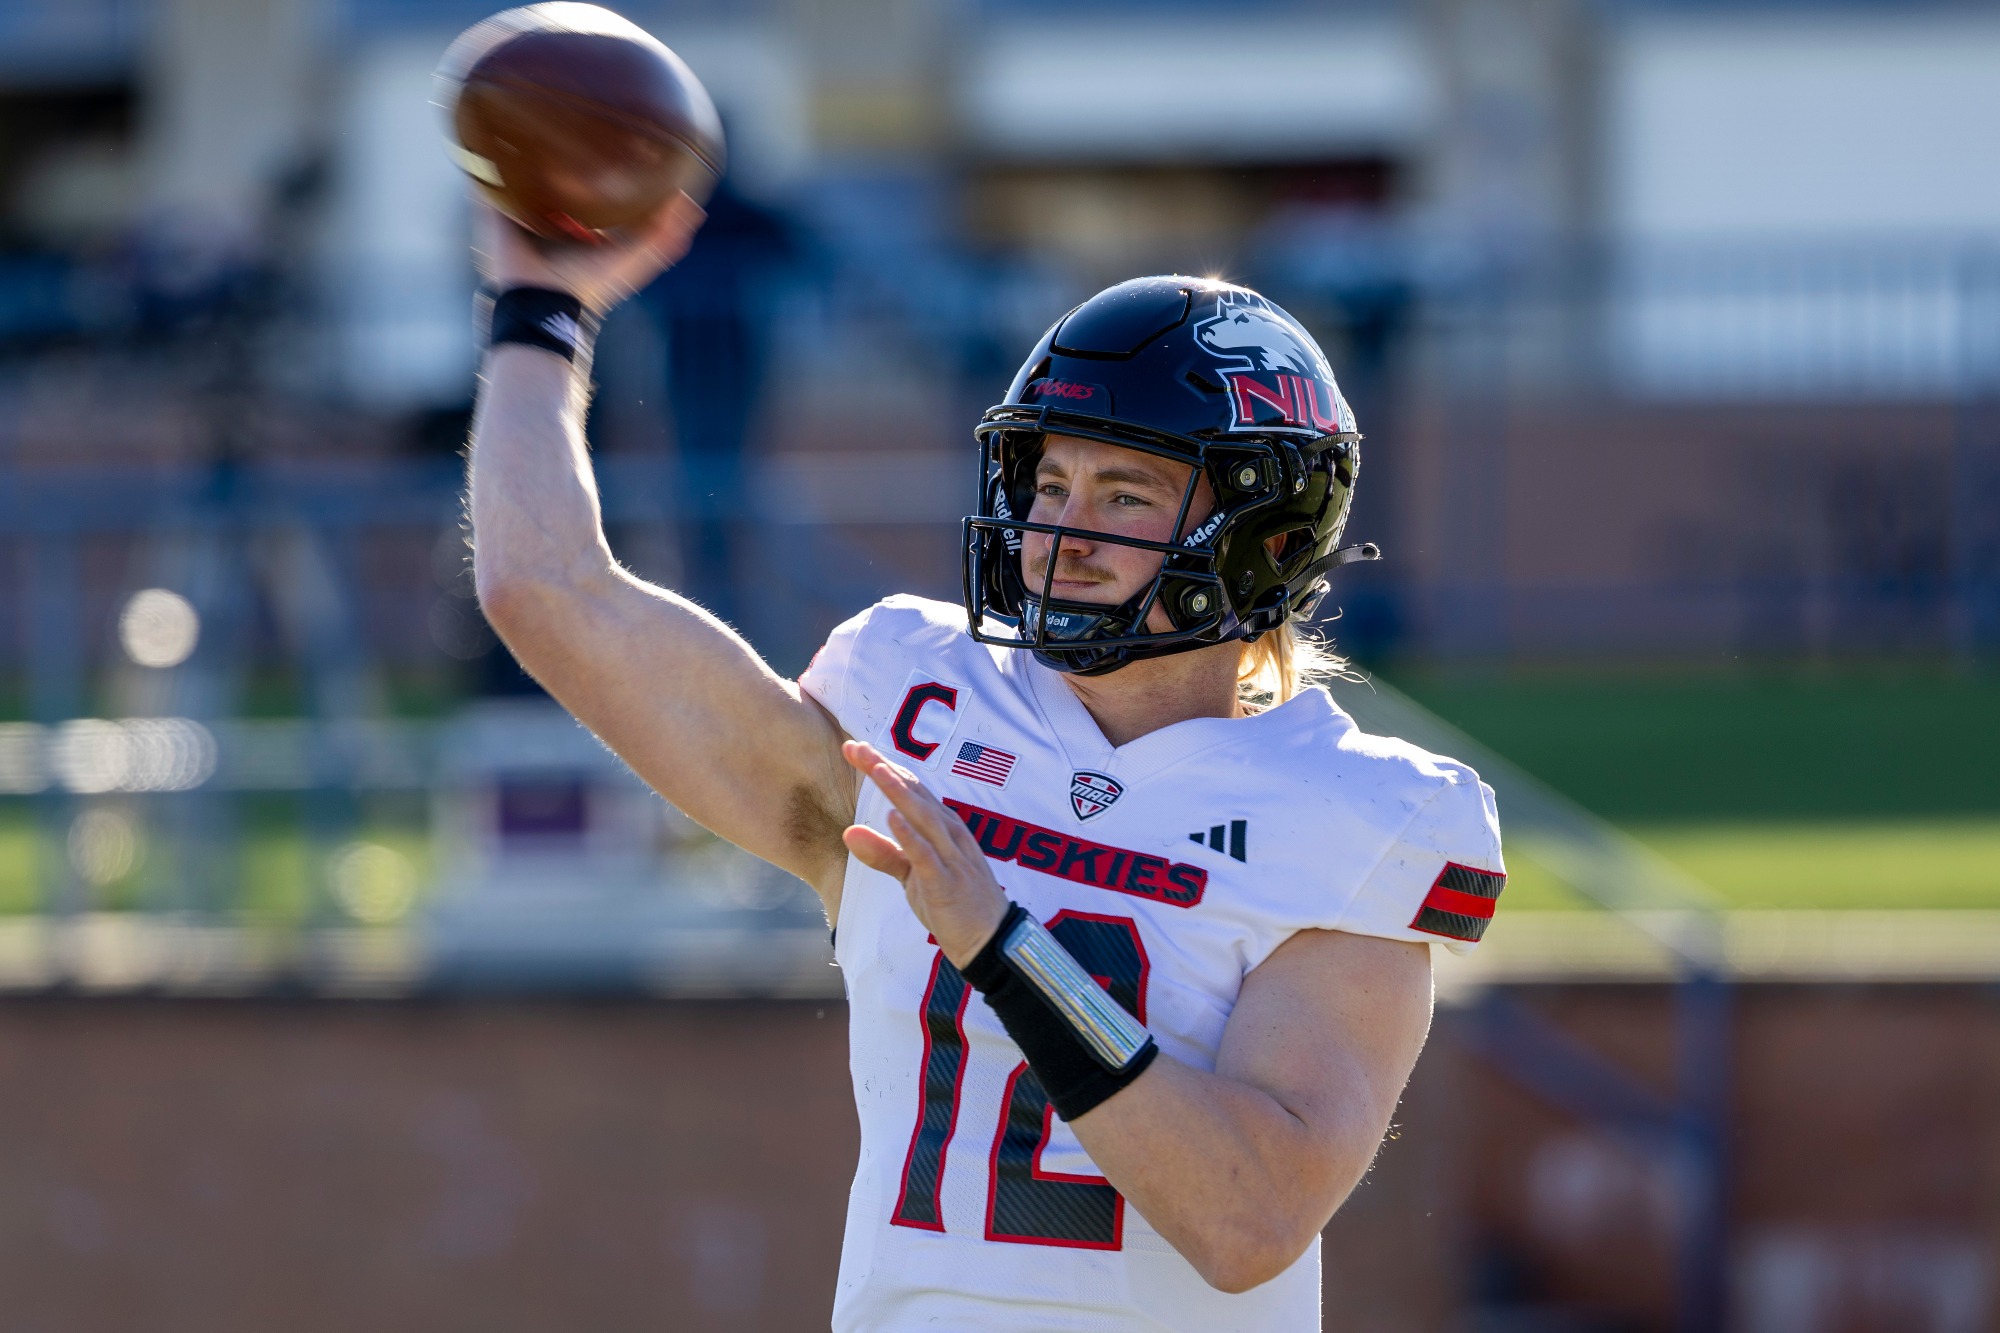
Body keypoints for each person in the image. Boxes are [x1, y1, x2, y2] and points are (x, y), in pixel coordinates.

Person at [466, 194, 1505, 1332]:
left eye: (1123, 495)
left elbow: (1246, 1218)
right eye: (1050, 485)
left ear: (1261, 535)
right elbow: (548, 591)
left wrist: (1004, 947)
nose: (1061, 532)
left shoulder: (1351, 818)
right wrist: (540, 309)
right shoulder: (914, 714)